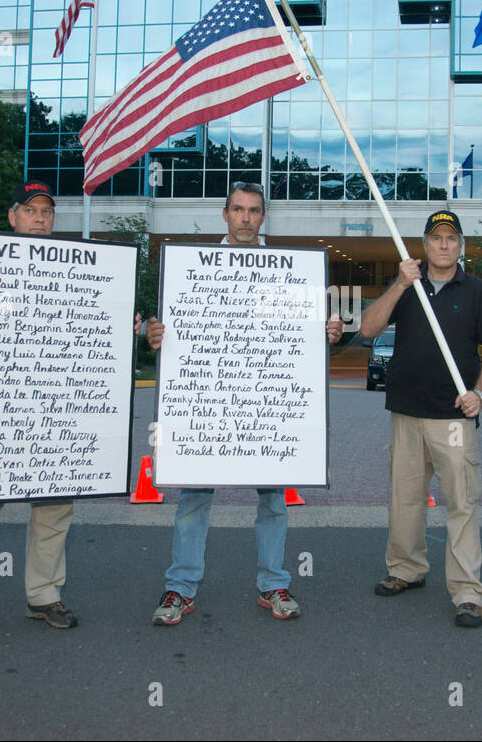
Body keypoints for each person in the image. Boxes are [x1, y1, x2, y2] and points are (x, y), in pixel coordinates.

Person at [0, 181, 137, 648]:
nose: (41, 218)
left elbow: (100, 323)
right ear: (13, 216)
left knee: (53, 512)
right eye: (31, 210)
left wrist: (119, 324)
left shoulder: (83, 270)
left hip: (59, 413)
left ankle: (43, 596)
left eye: (47, 210)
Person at [145, 181, 343, 625]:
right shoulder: (192, 269)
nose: (246, 219)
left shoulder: (289, 272)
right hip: (209, 404)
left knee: (274, 501)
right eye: (238, 209)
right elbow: (170, 332)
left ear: (262, 216)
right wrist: (156, 336)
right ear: (225, 214)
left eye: (254, 210)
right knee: (193, 500)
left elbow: (301, 334)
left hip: (266, 406)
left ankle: (274, 584)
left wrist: (326, 331)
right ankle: (180, 589)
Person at [358, 209, 482, 628]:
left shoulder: (476, 291)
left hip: (453, 418)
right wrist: (402, 282)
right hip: (406, 413)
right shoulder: (407, 285)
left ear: (460, 246)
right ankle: (406, 568)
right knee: (405, 498)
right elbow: (368, 329)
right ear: (424, 245)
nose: (444, 245)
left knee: (461, 501)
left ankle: (467, 592)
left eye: (451, 239)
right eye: (436, 238)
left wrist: (480, 393)